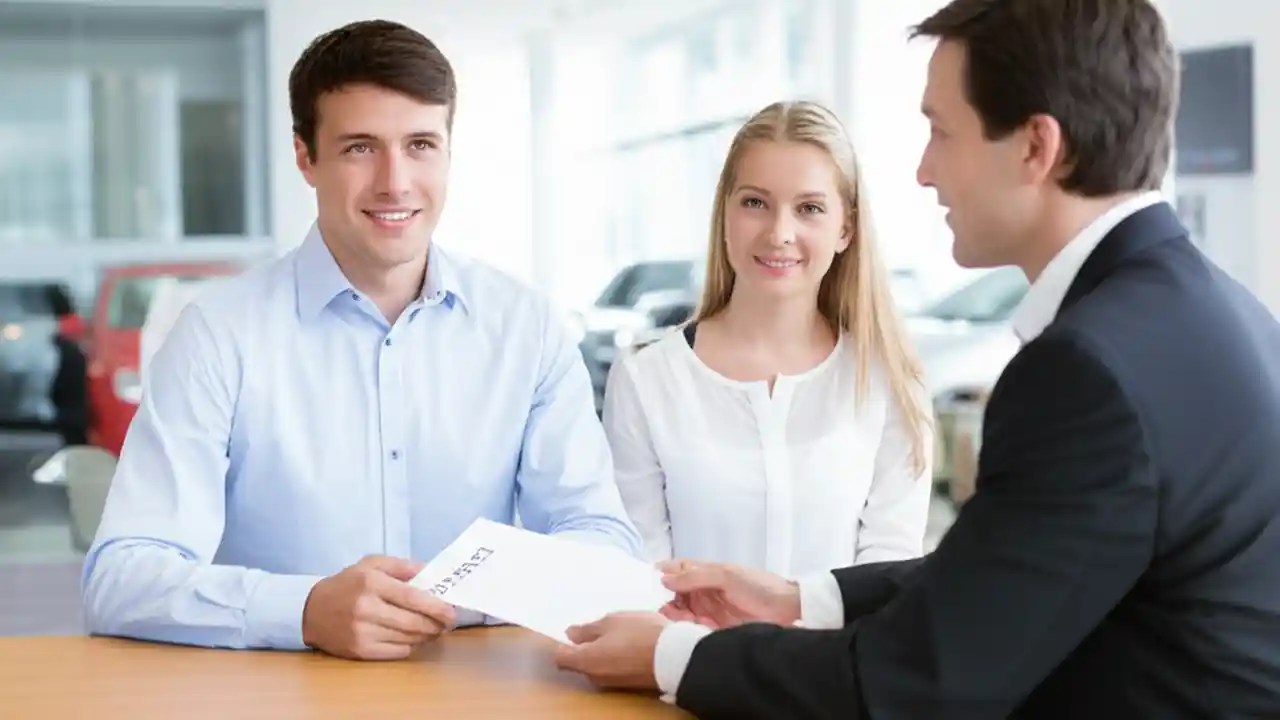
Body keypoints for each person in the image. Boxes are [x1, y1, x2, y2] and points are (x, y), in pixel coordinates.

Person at [554, 1, 1280, 717]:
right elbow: (1009, 576)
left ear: (1035, 147)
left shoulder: (1087, 370)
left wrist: (667, 656)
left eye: (941, 131)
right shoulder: (1223, 314)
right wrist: (804, 597)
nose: (925, 172)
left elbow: (921, 680)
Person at [82, 19, 641, 661]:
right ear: (305, 157)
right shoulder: (217, 334)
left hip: (479, 692)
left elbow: (601, 540)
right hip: (281, 695)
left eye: (421, 144)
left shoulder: (528, 327)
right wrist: (304, 610)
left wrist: (464, 597)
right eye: (359, 148)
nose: (395, 182)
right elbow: (121, 579)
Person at [602, 101, 932, 579]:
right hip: (688, 654)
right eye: (755, 203)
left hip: (836, 655)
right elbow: (642, 575)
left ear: (846, 230)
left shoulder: (889, 381)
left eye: (809, 209)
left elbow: (887, 576)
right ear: (725, 215)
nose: (780, 233)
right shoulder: (646, 381)